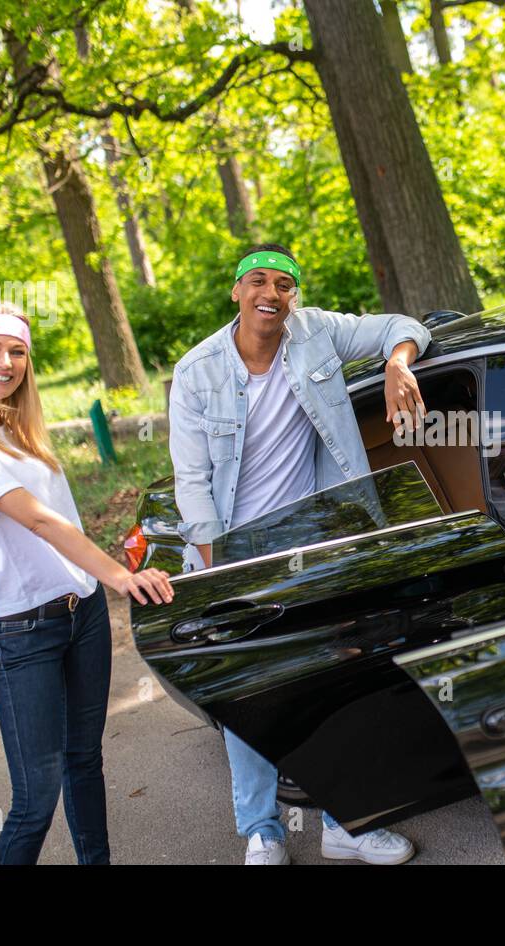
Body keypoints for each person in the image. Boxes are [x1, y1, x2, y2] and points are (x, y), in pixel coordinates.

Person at [168, 243, 432, 865]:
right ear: (236, 292)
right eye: (258, 281)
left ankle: (349, 824)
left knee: (334, 681)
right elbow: (192, 480)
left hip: (315, 538)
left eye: (284, 284)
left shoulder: (316, 333)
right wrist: (218, 564)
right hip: (232, 545)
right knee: (250, 693)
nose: (272, 293)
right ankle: (263, 831)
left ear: (295, 296)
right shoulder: (197, 370)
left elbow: (405, 325)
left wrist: (397, 363)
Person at [0, 302, 173, 865]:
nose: (5, 363)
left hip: (79, 612)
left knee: (84, 759)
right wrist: (118, 575)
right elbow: (36, 517)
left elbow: (57, 514)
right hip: (24, 630)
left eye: (17, 352)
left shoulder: (12, 423)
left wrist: (93, 583)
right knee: (35, 798)